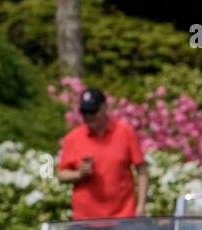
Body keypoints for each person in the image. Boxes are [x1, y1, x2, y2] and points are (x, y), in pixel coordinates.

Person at [56, 87, 147, 220]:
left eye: (93, 111)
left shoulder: (125, 132)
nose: (88, 116)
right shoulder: (73, 138)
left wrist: (141, 206)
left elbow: (142, 171)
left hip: (123, 217)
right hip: (86, 219)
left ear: (104, 108)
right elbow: (61, 174)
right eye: (84, 112)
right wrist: (79, 174)